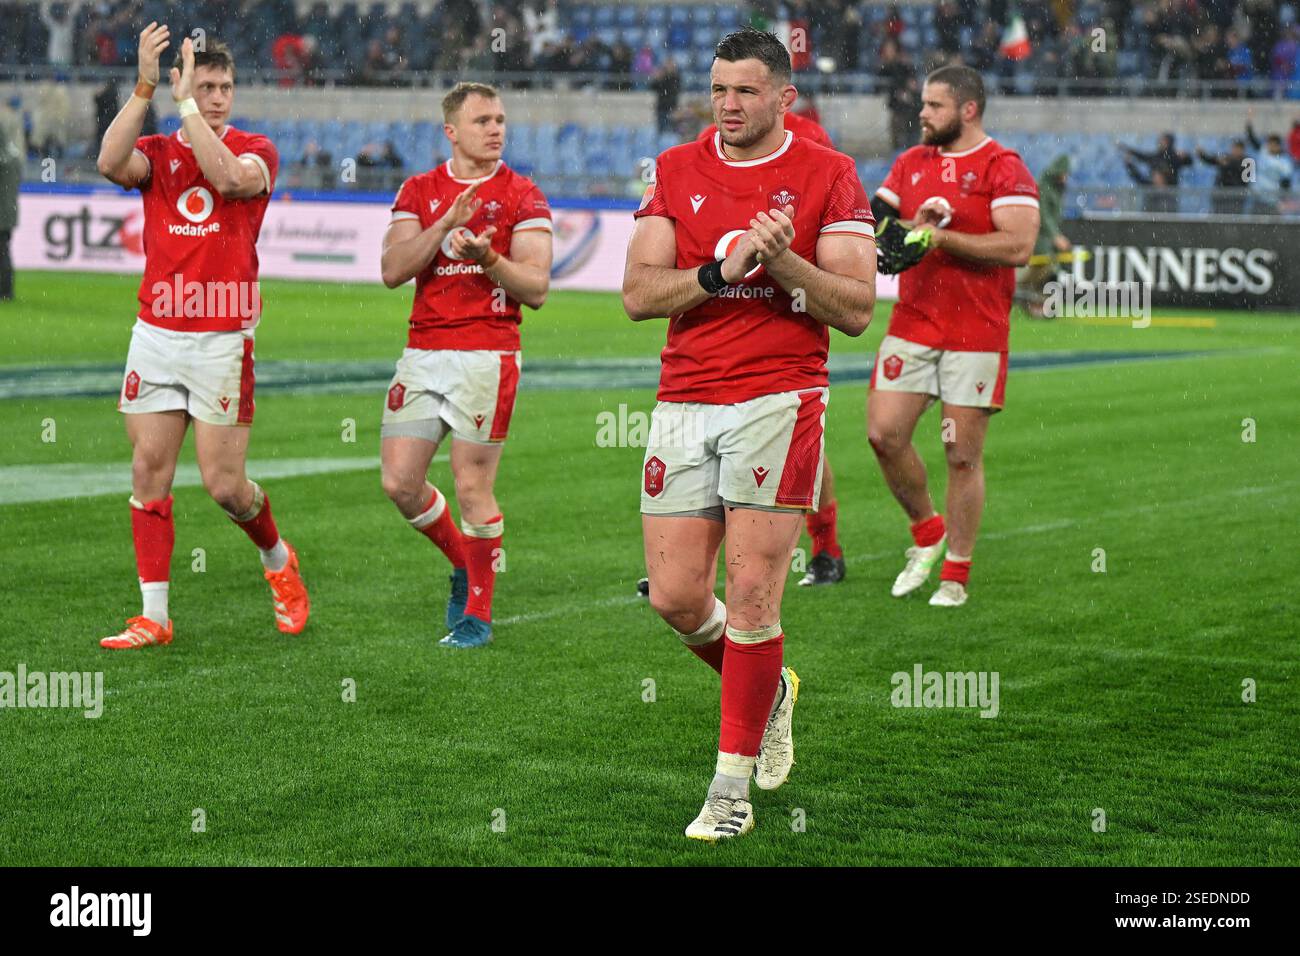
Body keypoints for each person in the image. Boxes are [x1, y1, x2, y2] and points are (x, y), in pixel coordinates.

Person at [623, 29, 876, 840]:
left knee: (755, 597)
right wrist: (719, 274)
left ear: (783, 98)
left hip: (780, 396)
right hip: (684, 398)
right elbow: (637, 294)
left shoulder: (829, 174)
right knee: (675, 596)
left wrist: (784, 263)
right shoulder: (676, 167)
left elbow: (857, 309)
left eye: (745, 91)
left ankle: (727, 795)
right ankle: (769, 695)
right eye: (719, 89)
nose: (728, 104)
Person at [95, 25, 309, 649]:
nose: (215, 96)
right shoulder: (160, 152)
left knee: (224, 487)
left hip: (221, 339)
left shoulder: (255, 149)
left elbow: (230, 183)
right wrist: (146, 84)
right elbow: (110, 162)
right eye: (204, 85)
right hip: (156, 334)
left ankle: (277, 559)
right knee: (148, 470)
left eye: (223, 86)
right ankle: (154, 617)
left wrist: (186, 106)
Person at [379, 82, 553, 649]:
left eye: (500, 119)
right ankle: (464, 562)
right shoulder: (420, 189)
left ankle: (477, 614)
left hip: (487, 354)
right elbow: (392, 269)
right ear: (451, 131)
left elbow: (536, 287)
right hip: (423, 352)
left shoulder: (522, 194)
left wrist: (489, 257)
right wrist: (442, 225)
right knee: (400, 482)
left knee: (472, 484)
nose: (496, 129)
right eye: (482, 121)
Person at [867, 64, 1039, 607]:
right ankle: (927, 531)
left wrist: (941, 240)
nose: (922, 113)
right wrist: (884, 235)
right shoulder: (911, 162)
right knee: (883, 434)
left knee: (961, 455)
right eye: (923, 104)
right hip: (914, 322)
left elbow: (1016, 246)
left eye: (934, 105)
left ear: (967, 110)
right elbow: (873, 216)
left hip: (976, 331)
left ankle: (956, 575)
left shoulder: (1002, 167)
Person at [1016, 154, 1071, 317]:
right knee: (1042, 267)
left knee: (1044, 269)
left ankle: (1028, 297)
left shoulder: (1054, 187)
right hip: (1040, 238)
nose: (1065, 177)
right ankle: (1021, 292)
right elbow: (1044, 214)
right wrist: (1055, 236)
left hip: (1047, 237)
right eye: (1064, 173)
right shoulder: (1045, 188)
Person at [1196, 139, 1249, 214]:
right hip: (1221, 194)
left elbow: (1243, 177)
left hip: (1236, 196)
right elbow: (1211, 160)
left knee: (1234, 217)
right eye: (1234, 148)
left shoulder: (1247, 161)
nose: (1235, 151)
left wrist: (1229, 164)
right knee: (1218, 215)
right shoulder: (1226, 157)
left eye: (1238, 148)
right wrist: (1202, 154)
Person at [0, 121, 18, 302]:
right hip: (8, 211)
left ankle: (5, 291)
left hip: (2, 213)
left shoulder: (3, 160)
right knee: (4, 252)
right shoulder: (13, 157)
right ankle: (5, 290)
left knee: (2, 253)